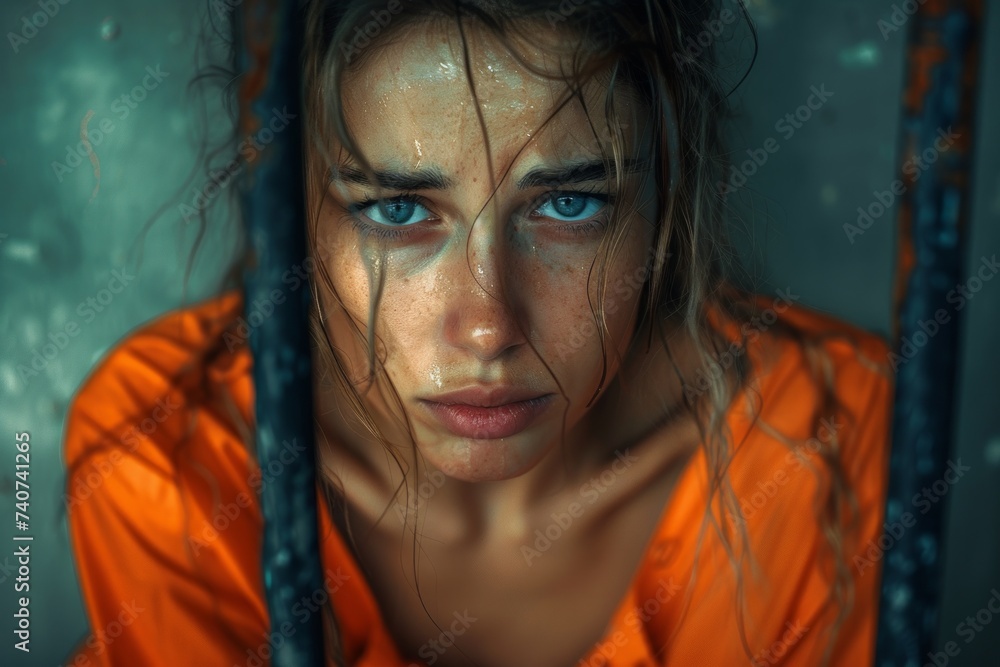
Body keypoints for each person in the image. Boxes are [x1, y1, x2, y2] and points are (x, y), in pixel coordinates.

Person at [63, 1, 894, 665]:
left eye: (570, 205)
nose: (489, 326)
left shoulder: (822, 437)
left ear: (662, 205)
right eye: (397, 212)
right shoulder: (174, 447)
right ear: (297, 220)